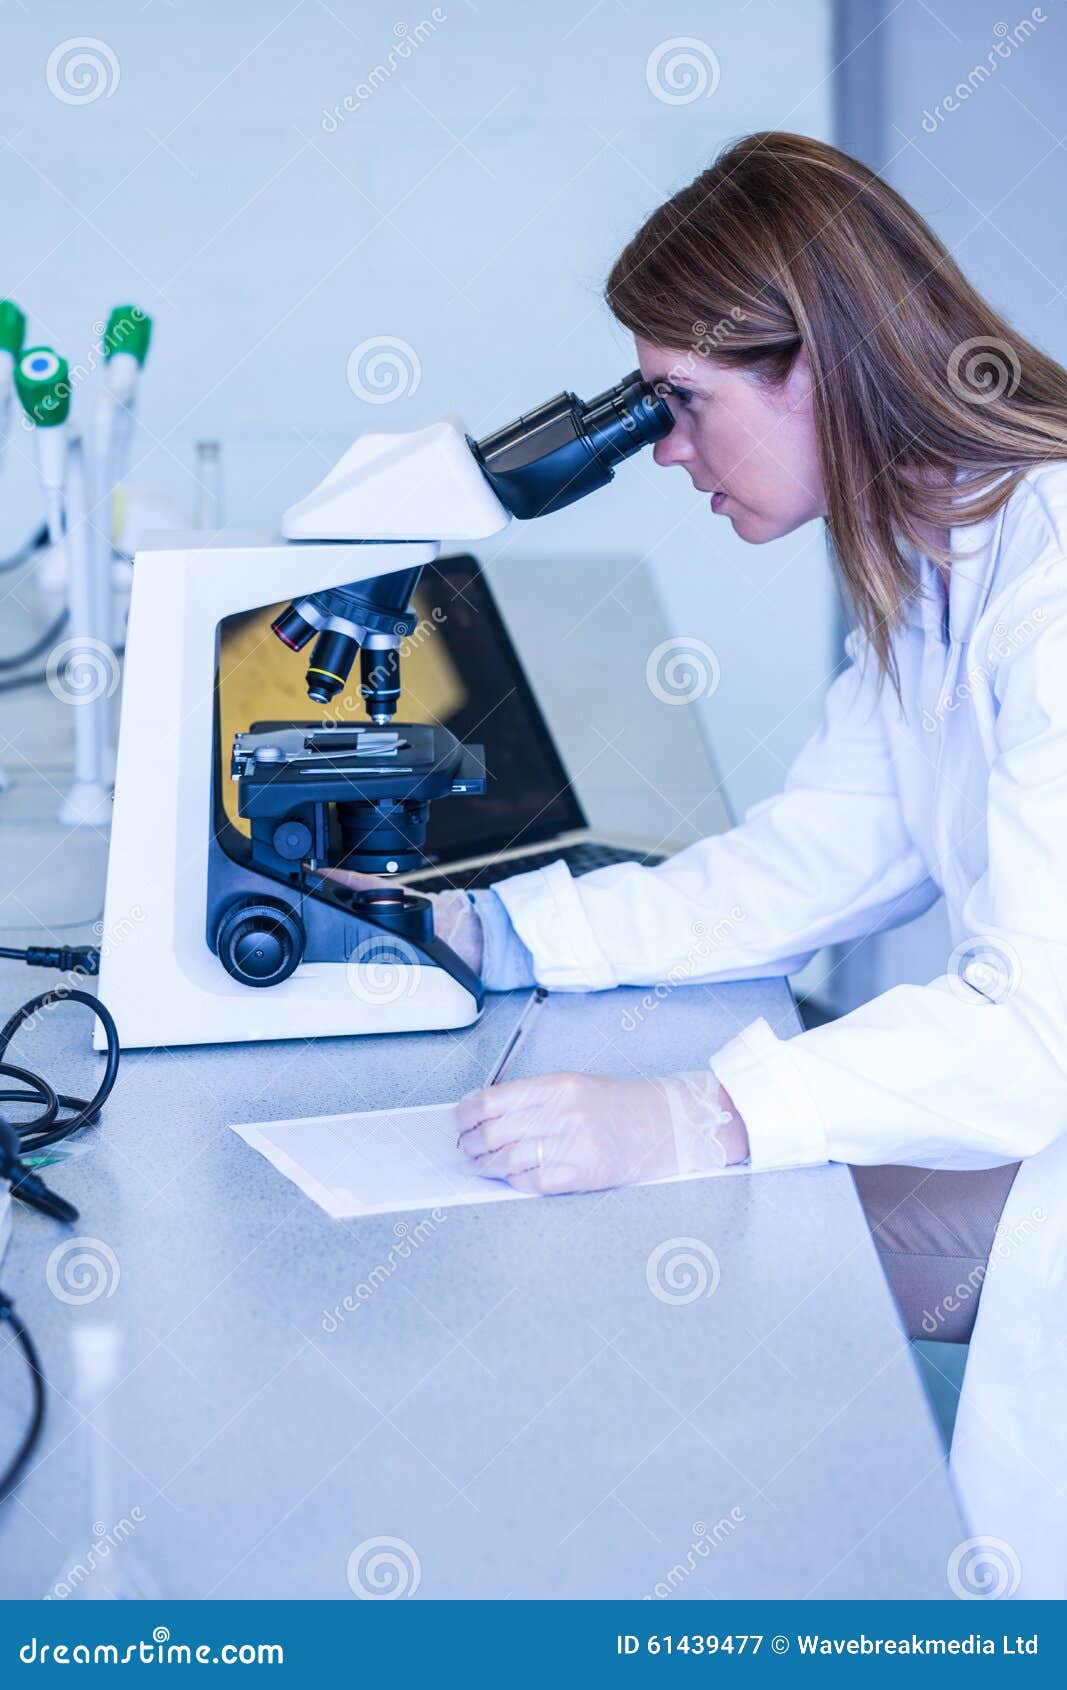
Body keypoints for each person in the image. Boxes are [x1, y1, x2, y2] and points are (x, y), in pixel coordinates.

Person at [328, 132, 1067, 1594]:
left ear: (826, 367)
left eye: (679, 402)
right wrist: (503, 937)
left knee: (732, 1231)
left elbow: (1037, 1024)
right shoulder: (932, 559)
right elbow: (810, 861)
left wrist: (694, 1116)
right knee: (745, 1256)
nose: (660, 451)